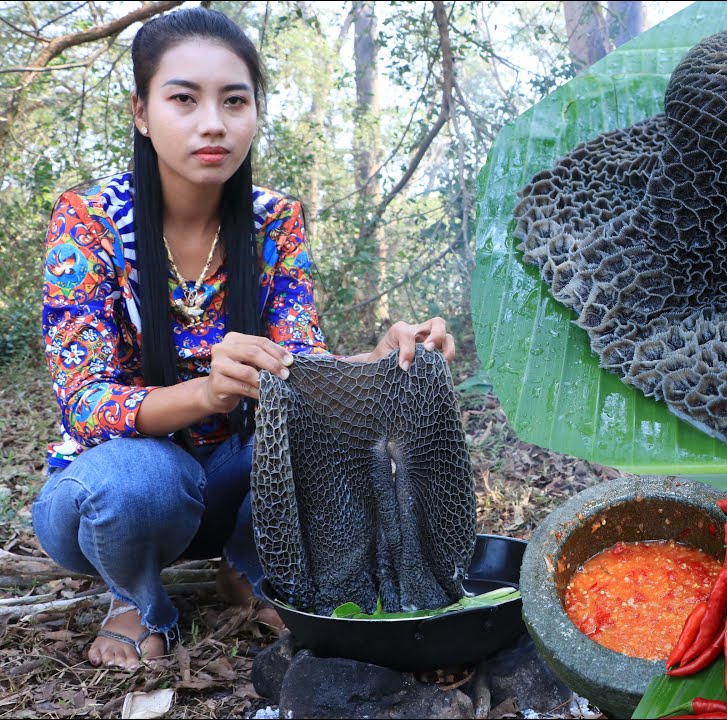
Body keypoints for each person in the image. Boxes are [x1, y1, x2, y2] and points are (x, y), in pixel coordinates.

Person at [35, 6, 455, 670]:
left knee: (317, 431)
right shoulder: (88, 222)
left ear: (255, 112)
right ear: (141, 112)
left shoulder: (274, 221)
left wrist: (381, 359)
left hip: (231, 476)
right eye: (184, 98)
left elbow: (303, 364)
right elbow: (84, 405)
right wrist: (207, 391)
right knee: (137, 480)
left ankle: (250, 562)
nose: (213, 123)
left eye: (235, 101)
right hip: (111, 495)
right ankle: (137, 601)